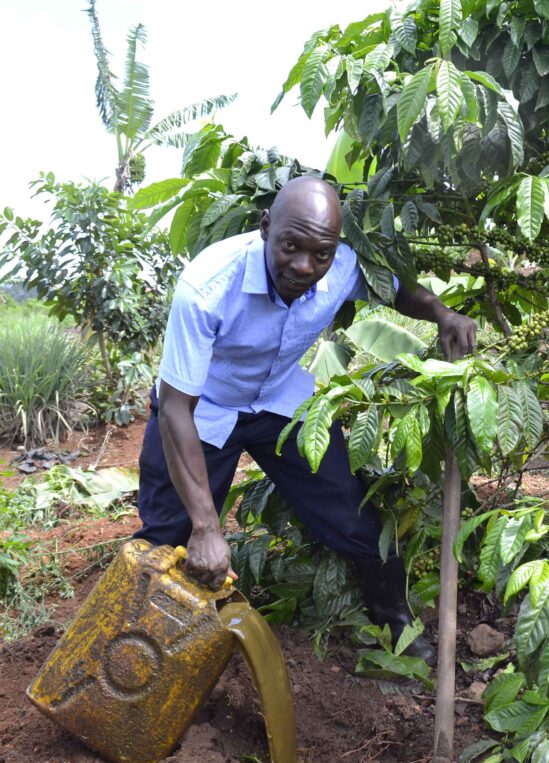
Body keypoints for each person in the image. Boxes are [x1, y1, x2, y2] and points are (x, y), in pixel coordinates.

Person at [134, 176, 477, 664]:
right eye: (291, 247)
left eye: (321, 254)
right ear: (265, 227)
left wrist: (442, 313)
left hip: (278, 402)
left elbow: (396, 290)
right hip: (202, 409)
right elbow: (174, 408)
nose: (304, 266)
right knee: (168, 536)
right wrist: (207, 527)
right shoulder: (208, 287)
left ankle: (395, 622)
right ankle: (140, 647)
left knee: (353, 516)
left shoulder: (340, 266)